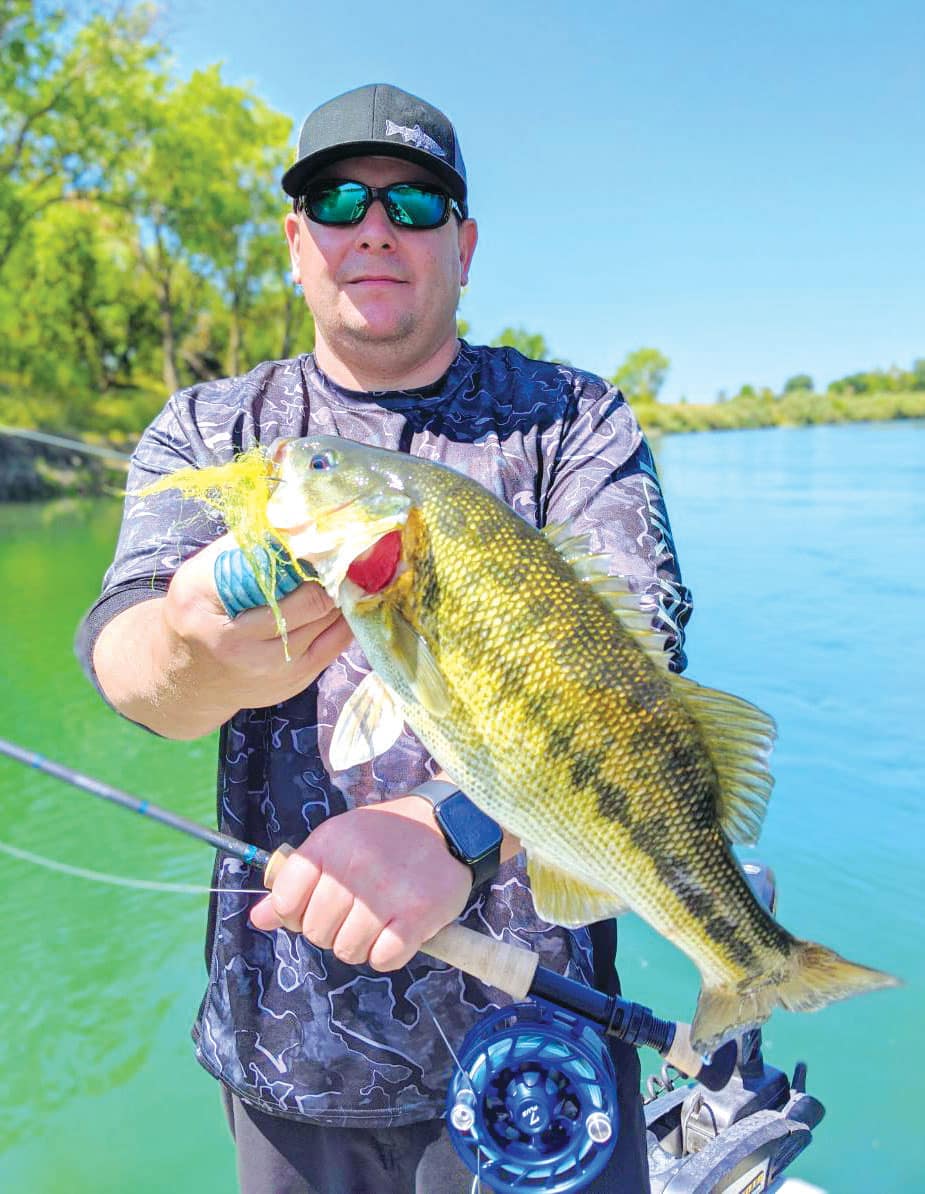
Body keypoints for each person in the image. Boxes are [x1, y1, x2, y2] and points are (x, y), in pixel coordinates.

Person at [77, 83, 692, 1194]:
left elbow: (640, 662)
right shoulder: (214, 432)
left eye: (412, 204)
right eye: (335, 199)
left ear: (464, 246)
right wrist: (190, 647)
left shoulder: (570, 419)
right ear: (294, 242)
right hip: (287, 1063)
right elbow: (129, 670)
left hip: (542, 1050)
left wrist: (456, 828)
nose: (372, 226)